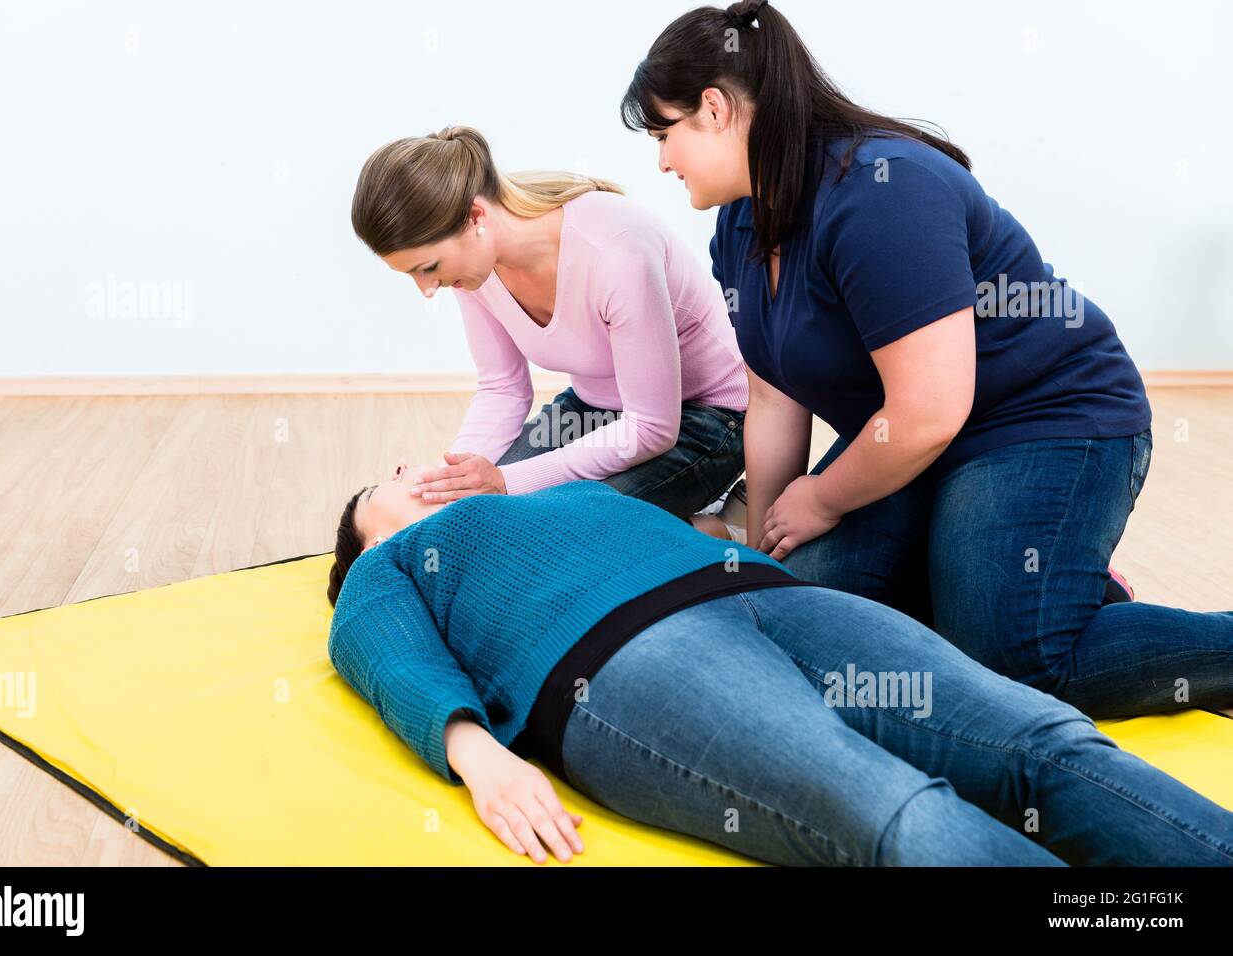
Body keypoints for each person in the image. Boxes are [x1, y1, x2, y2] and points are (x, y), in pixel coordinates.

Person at [619, 0, 1233, 718]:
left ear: (716, 110)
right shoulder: (741, 221)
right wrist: (767, 552)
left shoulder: (881, 191)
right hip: (905, 440)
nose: (661, 160)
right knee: (804, 617)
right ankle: (1058, 589)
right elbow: (773, 399)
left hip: (1042, 421)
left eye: (665, 133)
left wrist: (820, 498)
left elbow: (932, 409)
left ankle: (1054, 608)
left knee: (1013, 665)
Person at [322, 468, 1233, 866]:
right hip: (626, 662)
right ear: (370, 530)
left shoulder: (555, 497)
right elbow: (382, 651)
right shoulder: (389, 565)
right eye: (388, 481)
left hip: (777, 597)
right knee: (892, 808)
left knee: (1045, 740)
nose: (414, 468)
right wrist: (480, 756)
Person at [350, 125, 748, 528]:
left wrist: (505, 479)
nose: (427, 289)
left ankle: (720, 531)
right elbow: (503, 389)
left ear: (475, 216)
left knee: (544, 529)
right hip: (598, 411)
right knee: (474, 516)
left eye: (428, 268)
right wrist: (452, 481)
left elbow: (652, 428)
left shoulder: (614, 249)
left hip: (704, 417)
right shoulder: (472, 269)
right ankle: (687, 524)